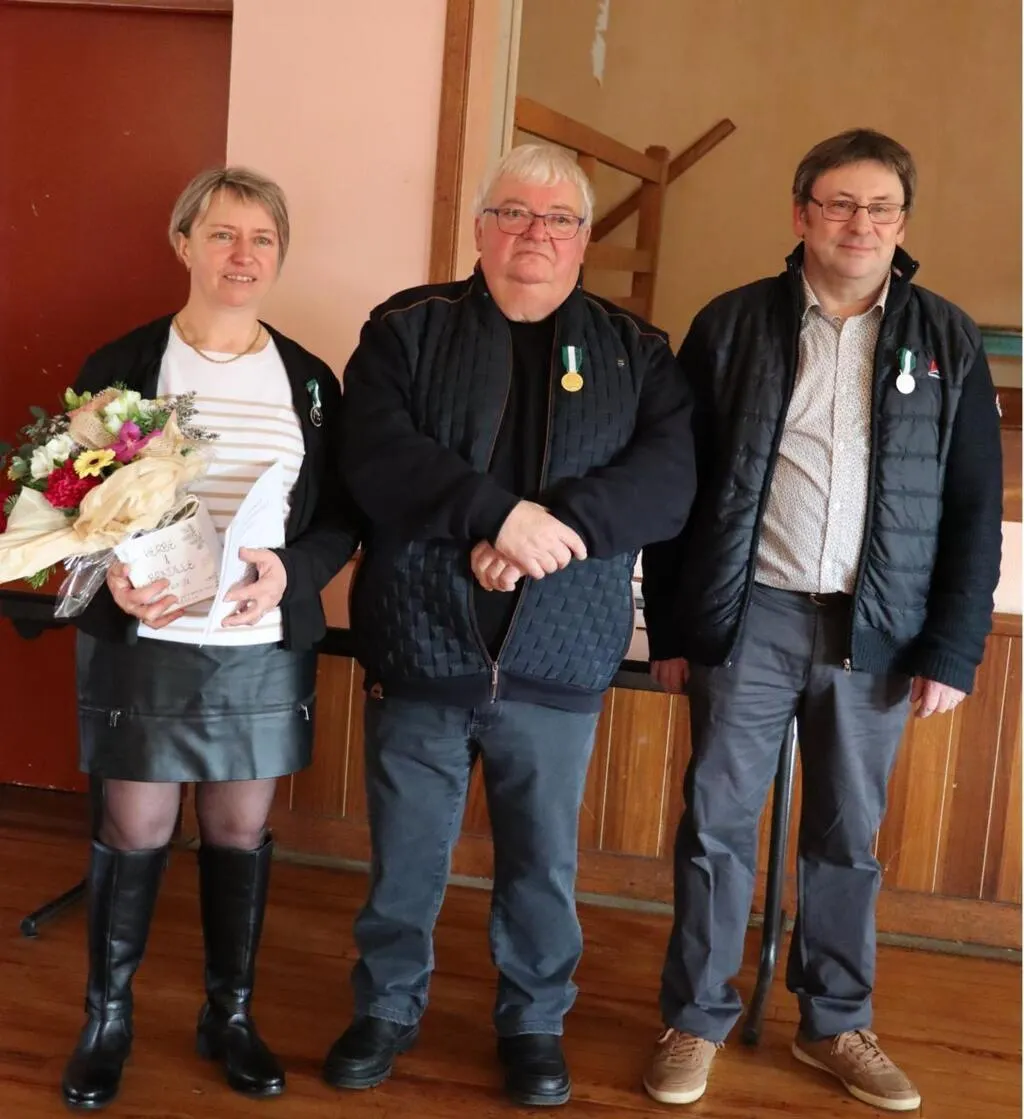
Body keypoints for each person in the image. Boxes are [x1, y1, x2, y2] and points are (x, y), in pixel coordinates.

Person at [324, 143, 696, 1108]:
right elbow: (374, 455)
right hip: (422, 640)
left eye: (559, 219)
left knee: (542, 863)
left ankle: (533, 1021)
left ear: (582, 241)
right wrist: (493, 514)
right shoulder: (406, 328)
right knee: (405, 856)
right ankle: (387, 1008)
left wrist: (548, 528)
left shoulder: (636, 350)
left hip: (559, 652)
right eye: (516, 214)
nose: (537, 233)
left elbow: (667, 481)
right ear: (481, 229)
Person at [640, 129, 1003, 1112]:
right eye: (840, 204)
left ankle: (836, 1022)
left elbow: (973, 506)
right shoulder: (731, 326)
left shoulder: (945, 339)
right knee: (715, 825)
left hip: (875, 630)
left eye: (880, 208)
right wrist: (670, 628)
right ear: (800, 213)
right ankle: (694, 1020)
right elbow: (680, 492)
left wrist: (953, 648)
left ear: (902, 224)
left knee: (848, 838)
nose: (860, 224)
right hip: (746, 616)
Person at [60, 167, 360, 1109]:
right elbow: (70, 502)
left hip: (259, 640)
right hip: (144, 640)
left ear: (279, 254)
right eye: (223, 235)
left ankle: (227, 1012)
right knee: (135, 823)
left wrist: (292, 571)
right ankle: (107, 1018)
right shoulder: (120, 363)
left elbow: (342, 516)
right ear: (182, 242)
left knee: (240, 827)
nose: (243, 256)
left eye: (262, 239)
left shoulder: (310, 380)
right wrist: (108, 568)